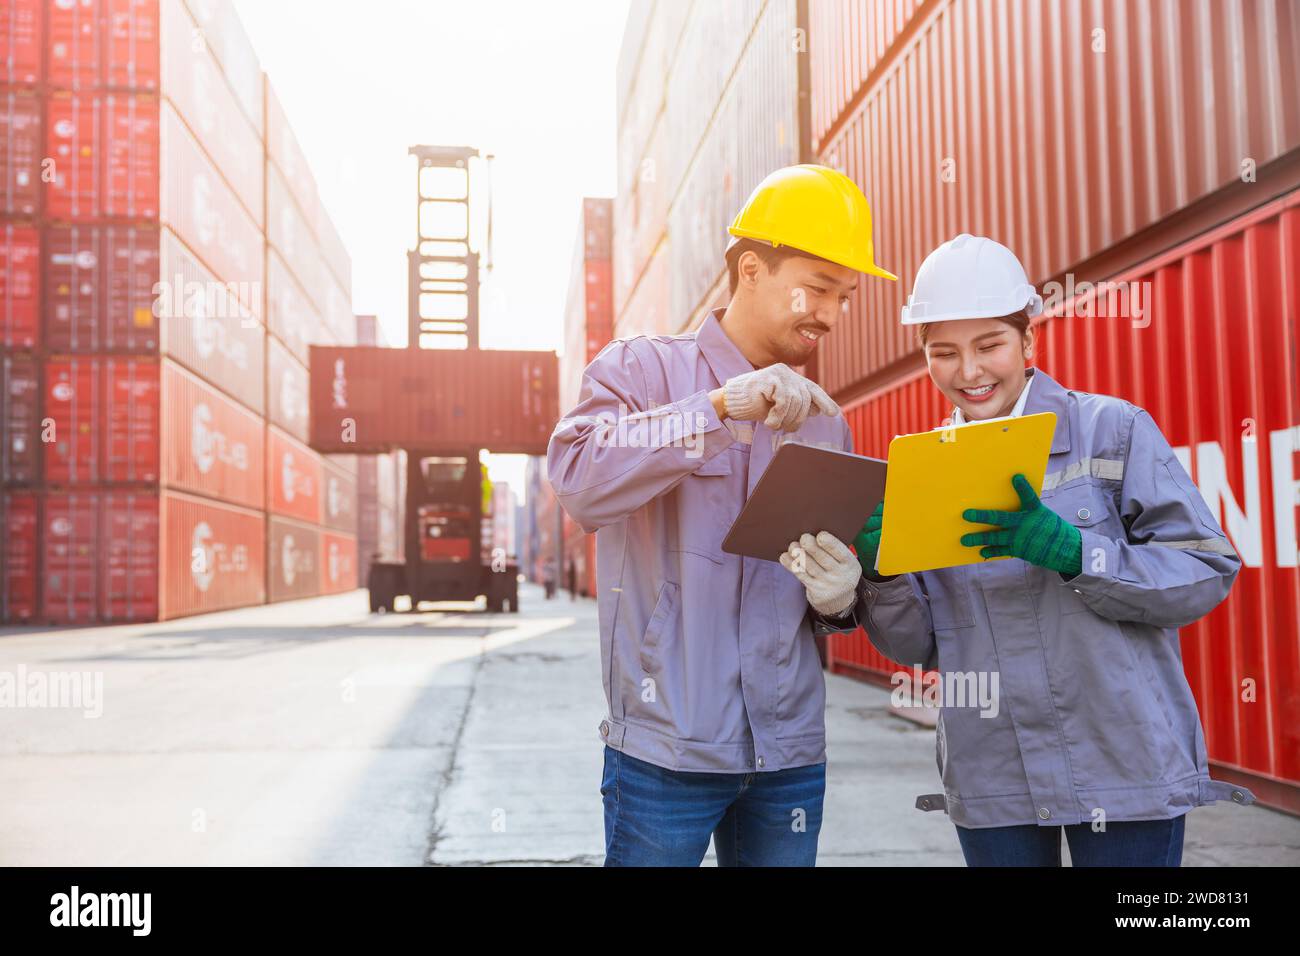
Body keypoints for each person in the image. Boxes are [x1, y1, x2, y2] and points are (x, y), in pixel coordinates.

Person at [848, 234, 1256, 866]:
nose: (970, 372)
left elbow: (1204, 571)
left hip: (1122, 764)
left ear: (1028, 341)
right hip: (994, 773)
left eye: (990, 345)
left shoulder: (1111, 429)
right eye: (945, 353)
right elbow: (917, 644)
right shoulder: (921, 470)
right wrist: (882, 575)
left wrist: (1079, 555)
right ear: (923, 357)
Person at [547, 165, 894, 866]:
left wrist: (840, 601)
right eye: (818, 288)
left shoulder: (825, 424)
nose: (829, 314)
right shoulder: (642, 372)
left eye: (844, 297)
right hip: (664, 751)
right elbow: (581, 480)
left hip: (788, 753)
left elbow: (815, 593)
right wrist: (717, 408)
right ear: (751, 269)